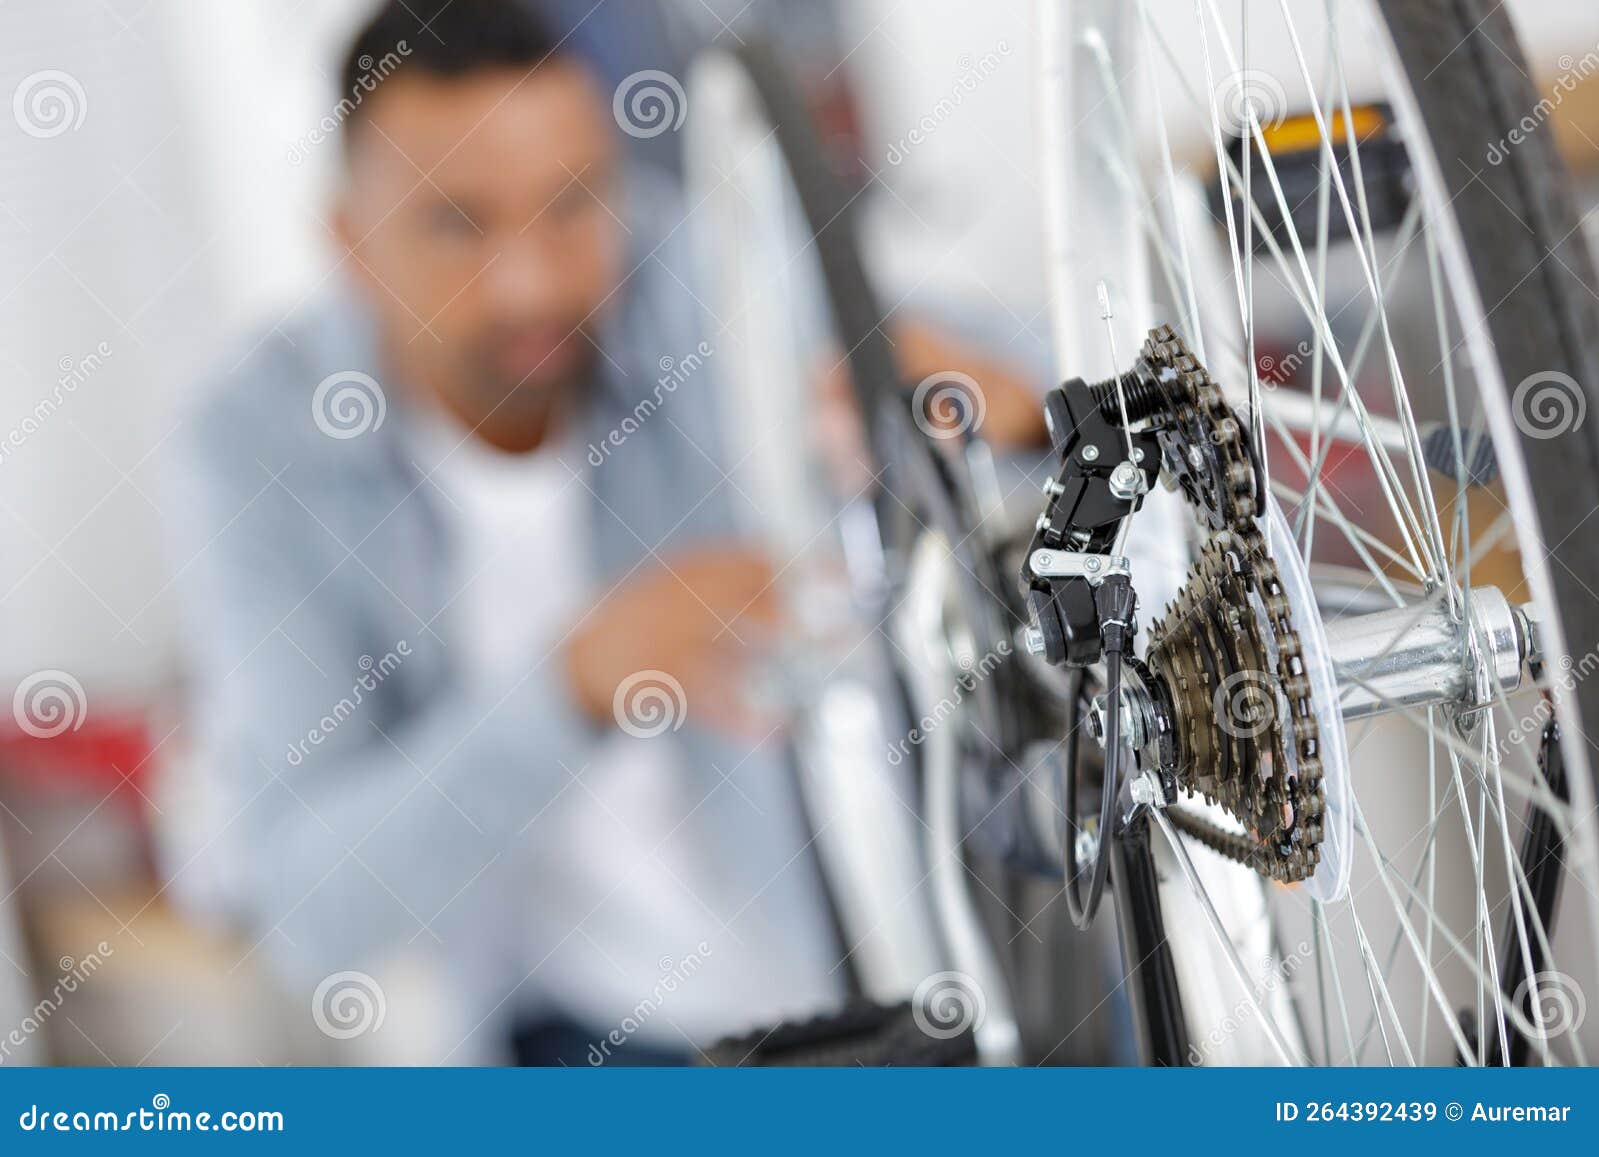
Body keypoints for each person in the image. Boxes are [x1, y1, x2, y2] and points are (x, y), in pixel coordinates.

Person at [169, 0, 1044, 1064]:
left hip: (909, 985)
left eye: (573, 204)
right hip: (585, 1041)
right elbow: (308, 905)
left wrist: (1008, 413)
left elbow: (1031, 388)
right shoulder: (262, 446)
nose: (532, 278)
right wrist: (579, 682)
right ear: (349, 243)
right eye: (458, 222)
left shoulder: (704, 275)